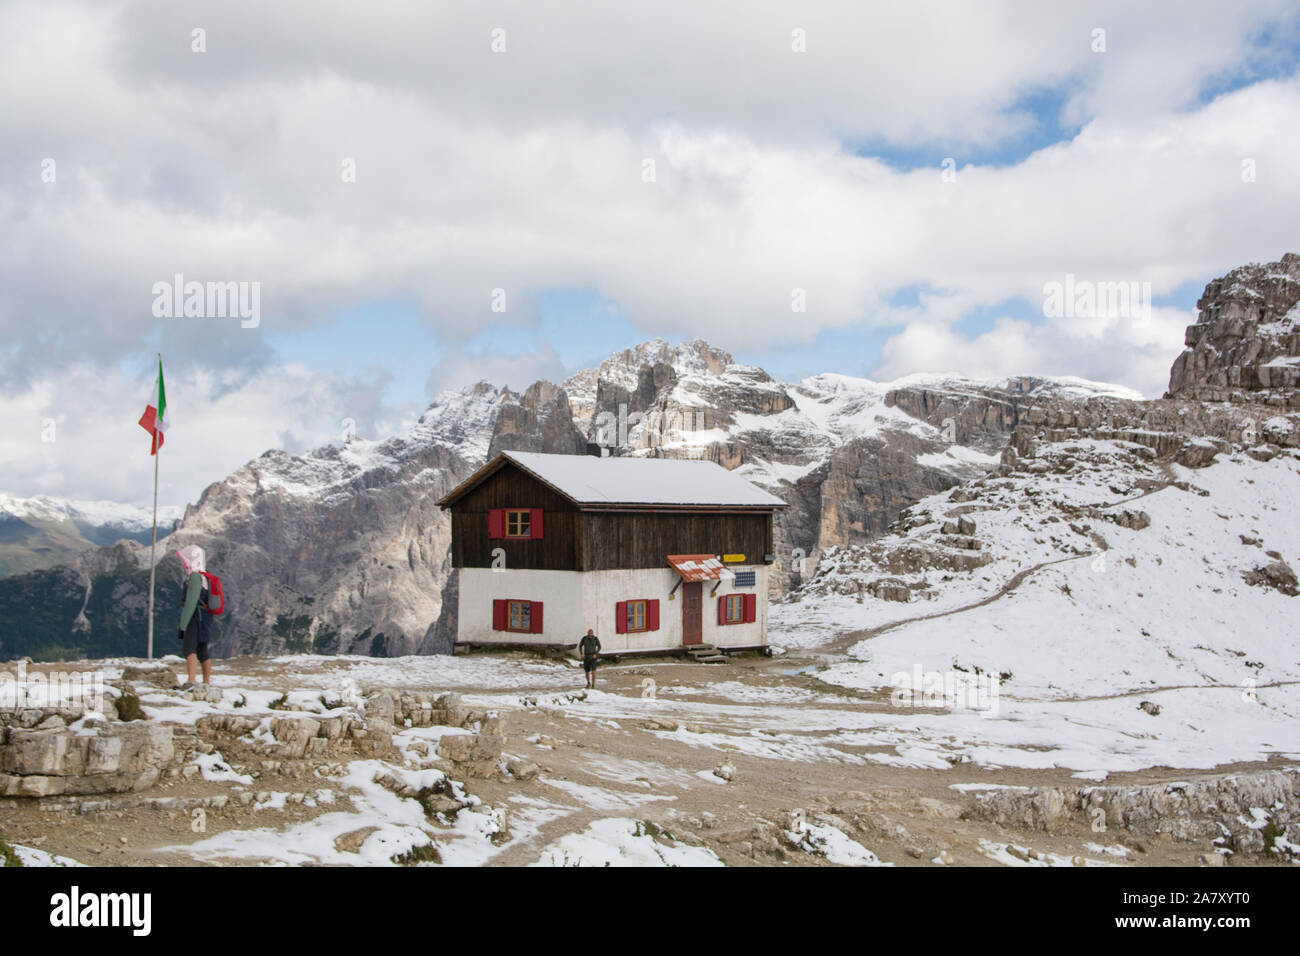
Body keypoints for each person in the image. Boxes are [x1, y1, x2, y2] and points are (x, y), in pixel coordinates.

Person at [176, 545, 215, 688]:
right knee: (202, 650)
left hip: (195, 618)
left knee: (189, 648)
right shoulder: (205, 576)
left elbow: (190, 602)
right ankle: (206, 682)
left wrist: (183, 624)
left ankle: (191, 681)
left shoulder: (194, 577)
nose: (183, 562)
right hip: (206, 618)